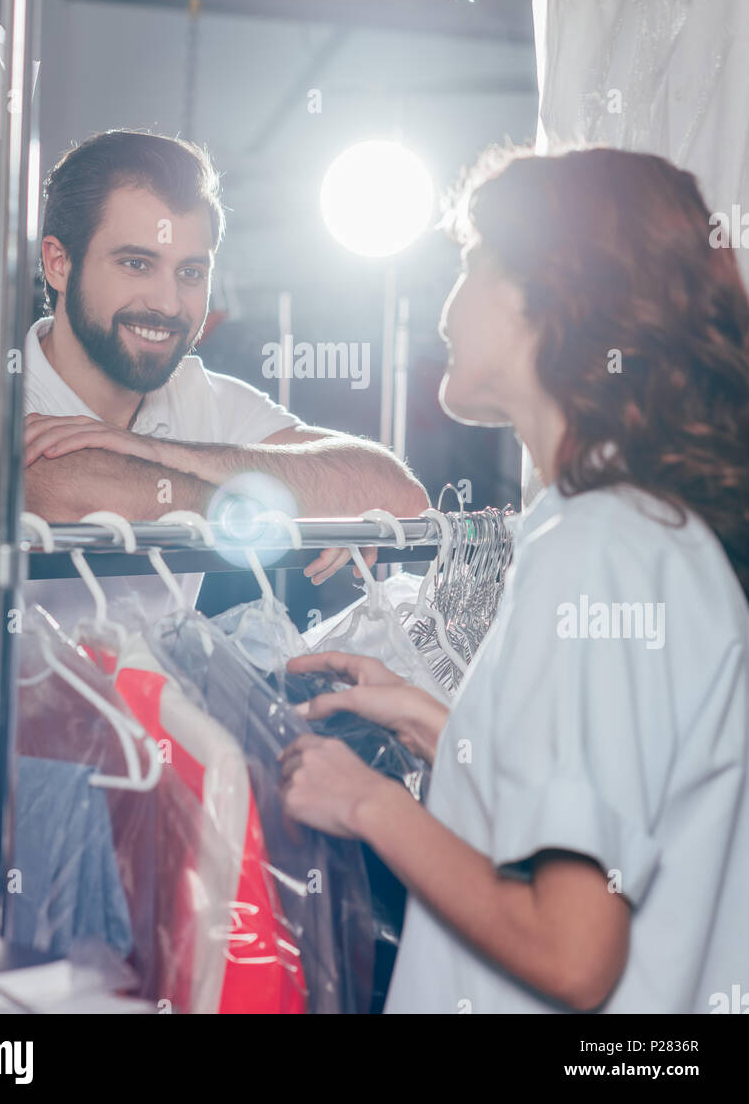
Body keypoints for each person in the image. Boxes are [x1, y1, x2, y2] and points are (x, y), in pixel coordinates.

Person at [279, 146, 749, 1014]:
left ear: (554, 294)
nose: (446, 305)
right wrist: (442, 728)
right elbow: (621, 795)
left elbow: (572, 953)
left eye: (470, 266)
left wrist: (369, 805)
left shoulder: (600, 550)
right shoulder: (639, 531)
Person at [22, 129, 427, 615]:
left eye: (190, 273)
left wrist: (152, 450)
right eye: (136, 263)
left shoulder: (204, 396)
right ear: (59, 263)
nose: (169, 303)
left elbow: (399, 495)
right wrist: (306, 504)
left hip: (160, 691)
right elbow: (76, 493)